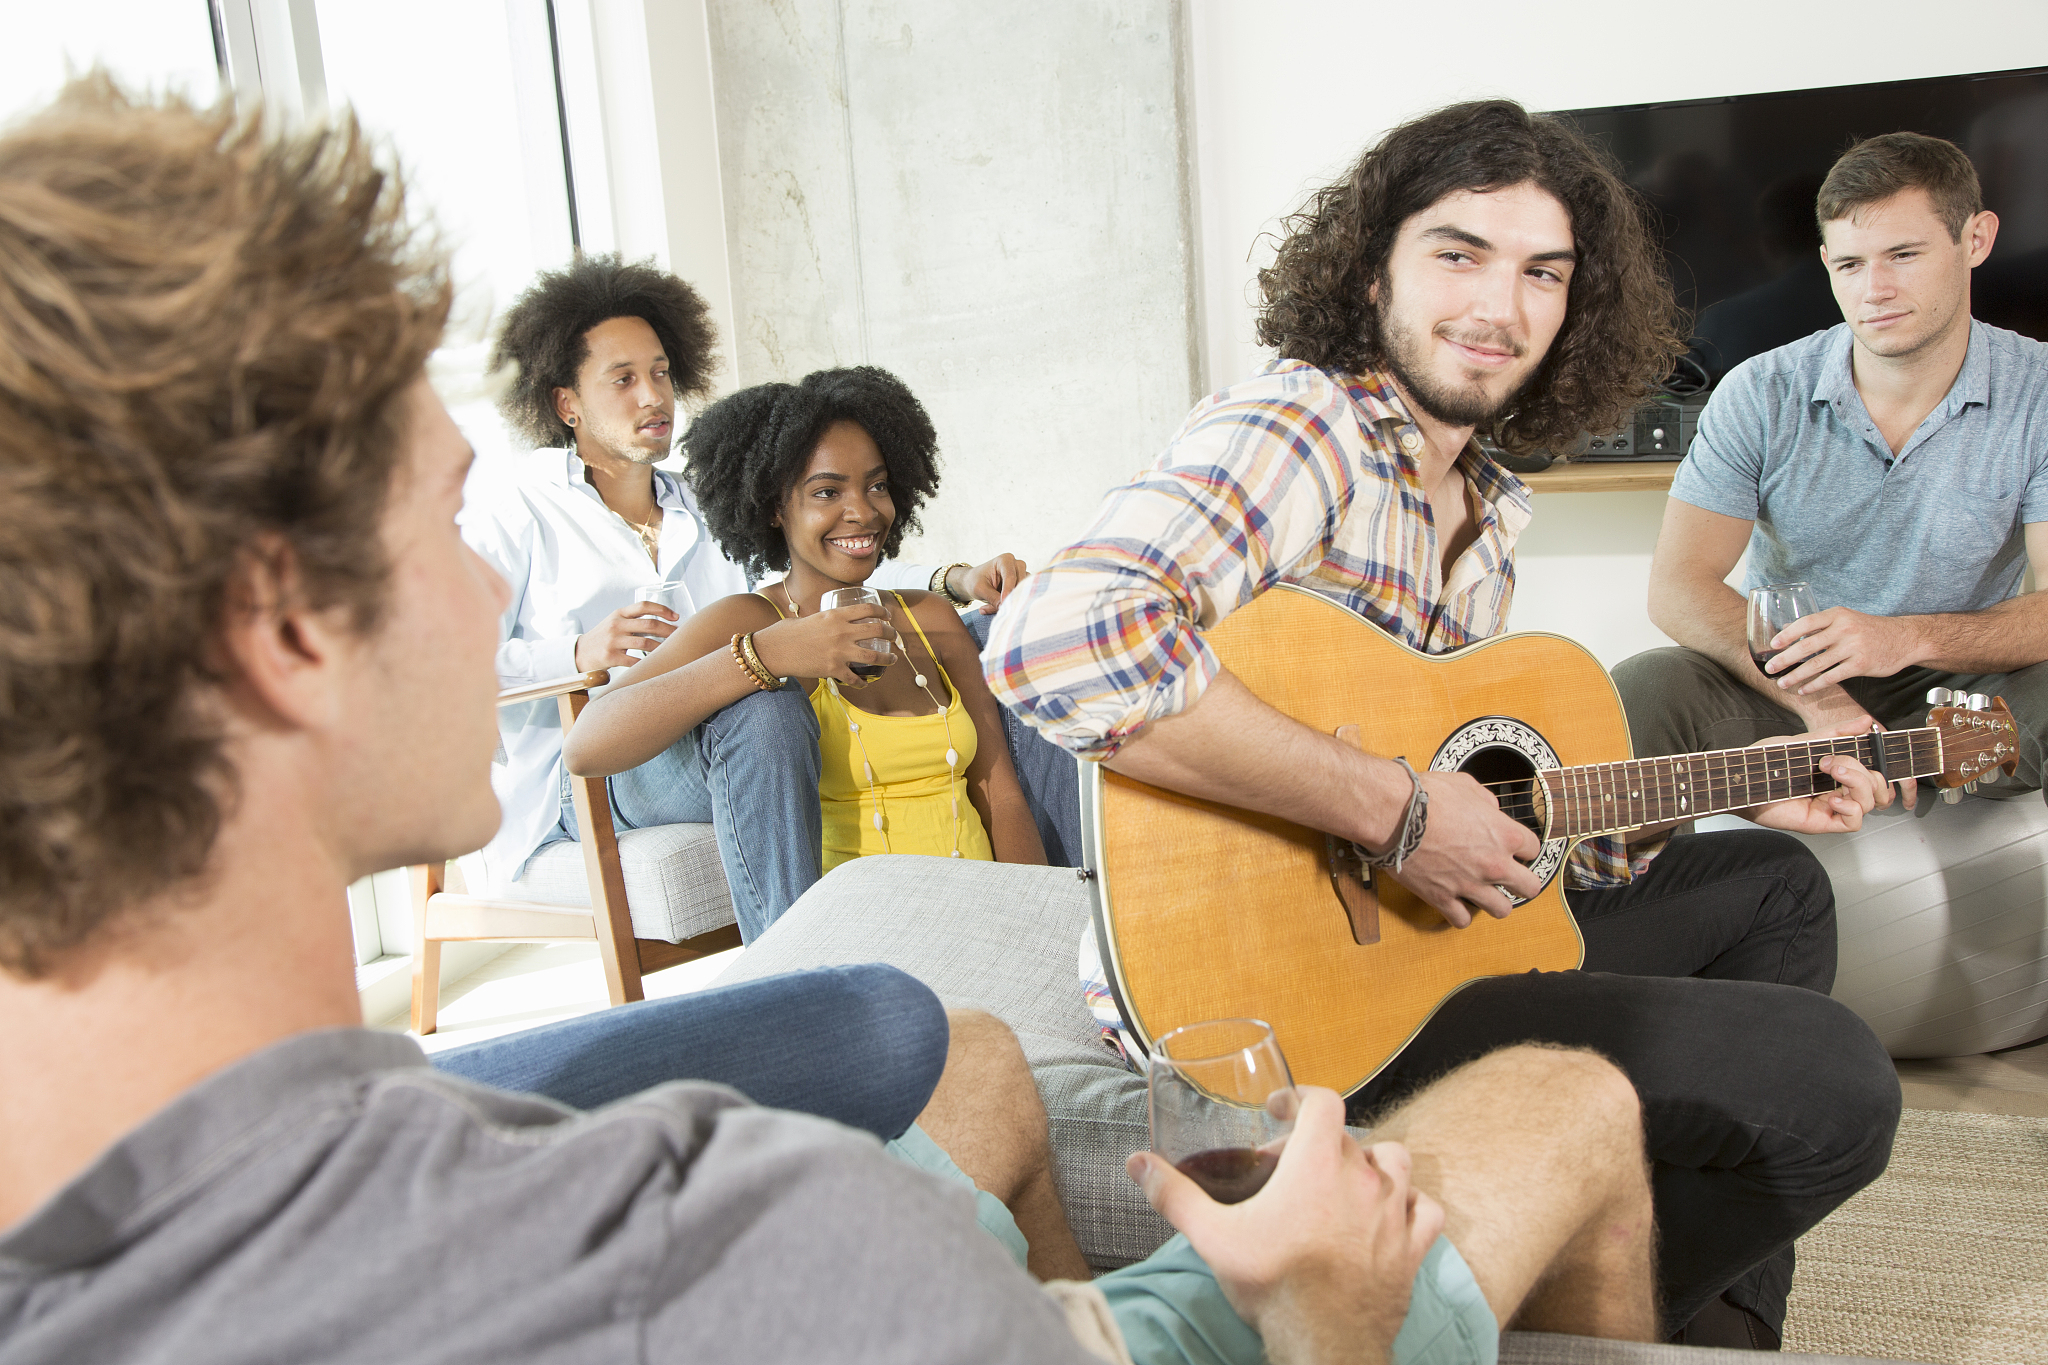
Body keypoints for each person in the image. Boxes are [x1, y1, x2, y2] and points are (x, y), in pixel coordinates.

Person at [0, 77, 1688, 1365]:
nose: (499, 598)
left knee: (923, 1037)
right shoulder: (766, 1245)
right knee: (1567, 1106)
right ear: (281, 627)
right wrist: (1326, 1299)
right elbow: (1061, 650)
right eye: (454, 519)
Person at [986, 98, 1904, 1350]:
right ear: (1370, 271)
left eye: (1541, 272)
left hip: (1411, 946)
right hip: (1282, 997)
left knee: (1774, 885)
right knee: (1831, 1082)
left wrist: (1731, 782)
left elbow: (1517, 833)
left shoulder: (1479, 502)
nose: (1497, 305)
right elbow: (1057, 635)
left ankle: (1686, 1335)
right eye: (1456, 253)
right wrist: (1396, 810)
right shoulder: (1305, 427)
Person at [463, 257, 1031, 939]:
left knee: (981, 637)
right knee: (765, 709)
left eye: (662, 372)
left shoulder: (697, 504)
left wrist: (956, 580)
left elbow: (829, 565)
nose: (653, 395)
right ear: (567, 404)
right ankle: (795, 979)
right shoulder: (517, 511)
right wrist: (575, 651)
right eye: (624, 379)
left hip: (721, 723)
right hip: (602, 762)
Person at [1616, 132, 2048, 798]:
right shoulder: (1760, 391)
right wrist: (1824, 703)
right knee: (1644, 689)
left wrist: (1899, 639)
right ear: (1824, 262)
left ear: (1977, 239)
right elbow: (1677, 586)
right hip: (1791, 696)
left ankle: (1915, 762)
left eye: (1904, 255)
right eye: (1850, 265)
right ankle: (1658, 887)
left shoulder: (2040, 390)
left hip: (1957, 699)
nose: (1875, 289)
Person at [563, 367, 1047, 872]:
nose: (862, 511)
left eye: (877, 486)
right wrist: (769, 653)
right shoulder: (746, 619)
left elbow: (1002, 796)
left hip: (975, 909)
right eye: (826, 492)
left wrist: (1040, 921)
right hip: (856, 927)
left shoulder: (932, 618)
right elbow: (584, 747)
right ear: (775, 507)